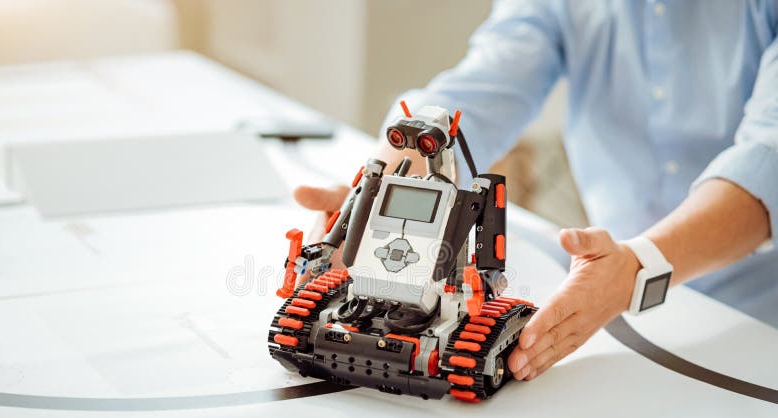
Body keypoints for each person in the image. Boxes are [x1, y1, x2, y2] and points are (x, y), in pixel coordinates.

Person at [294, 1, 777, 381]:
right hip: (609, 283)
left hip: (757, 309)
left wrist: (639, 266)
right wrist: (377, 190)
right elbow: (489, 81)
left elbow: (769, 156)